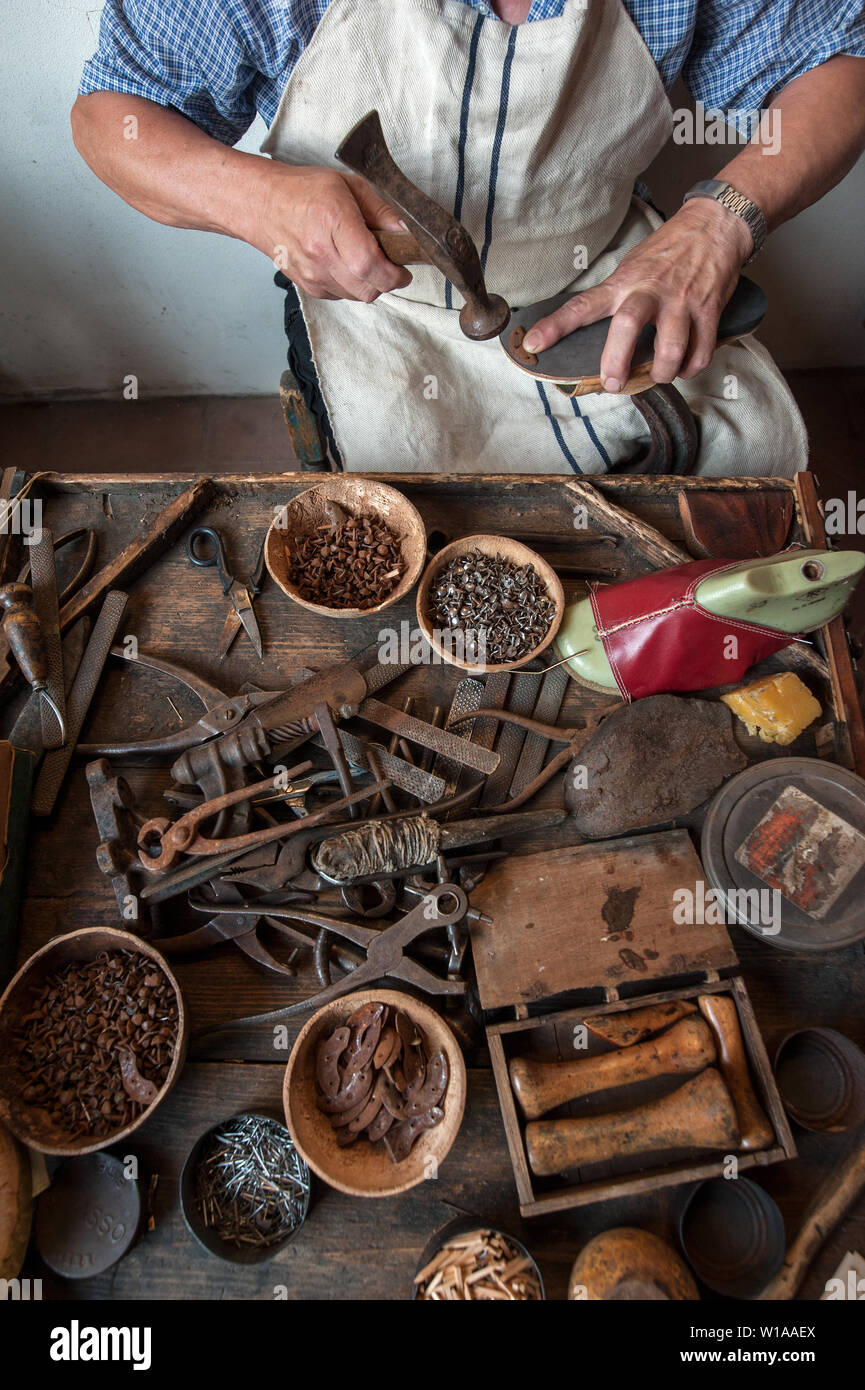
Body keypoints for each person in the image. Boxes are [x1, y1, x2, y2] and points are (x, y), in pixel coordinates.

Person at [72, 1, 865, 475]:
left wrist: (718, 221)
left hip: (609, 270)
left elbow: (839, 69)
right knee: (409, 512)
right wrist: (257, 197)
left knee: (742, 447)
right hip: (378, 306)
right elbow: (113, 116)